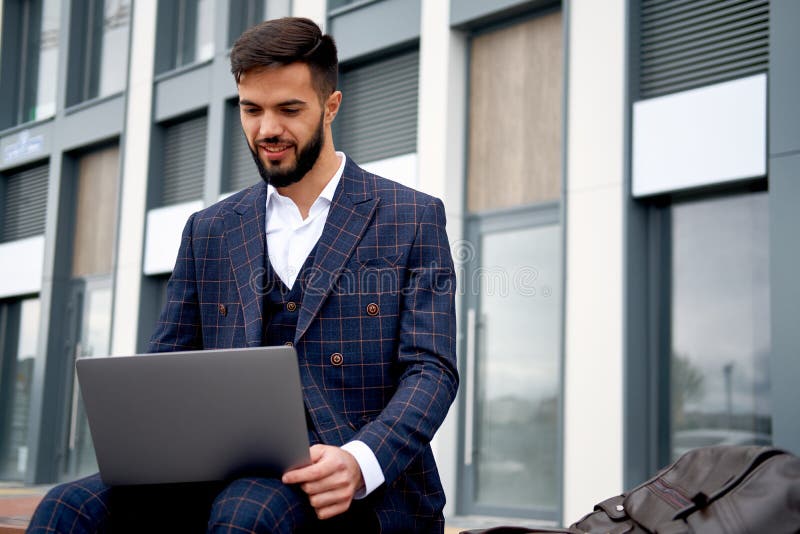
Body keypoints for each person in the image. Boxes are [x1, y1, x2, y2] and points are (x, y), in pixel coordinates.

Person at [29, 16, 458, 534]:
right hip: (215, 469)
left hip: (352, 481)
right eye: (251, 110)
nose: (267, 129)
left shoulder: (411, 217)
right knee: (64, 507)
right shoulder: (208, 229)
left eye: (288, 109)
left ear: (331, 106)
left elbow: (431, 370)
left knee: (245, 515)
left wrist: (360, 462)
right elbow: (167, 364)